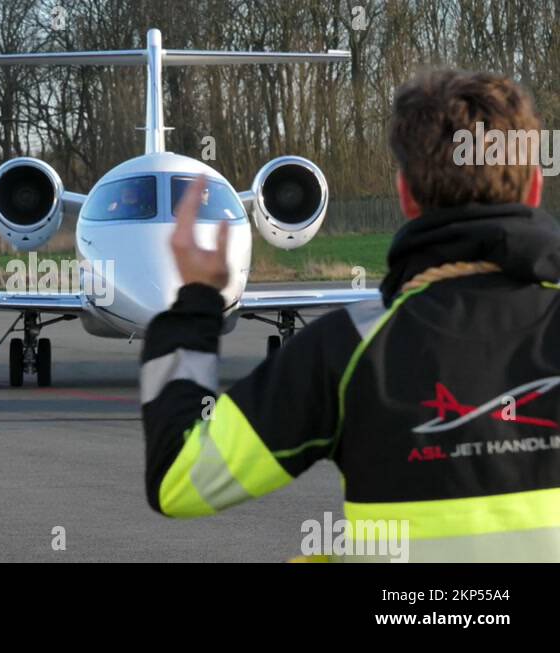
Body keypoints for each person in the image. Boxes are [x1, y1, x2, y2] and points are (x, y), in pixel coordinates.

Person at [140, 69, 560, 562]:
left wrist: (195, 302)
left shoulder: (346, 347)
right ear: (534, 187)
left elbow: (180, 479)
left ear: (406, 196)